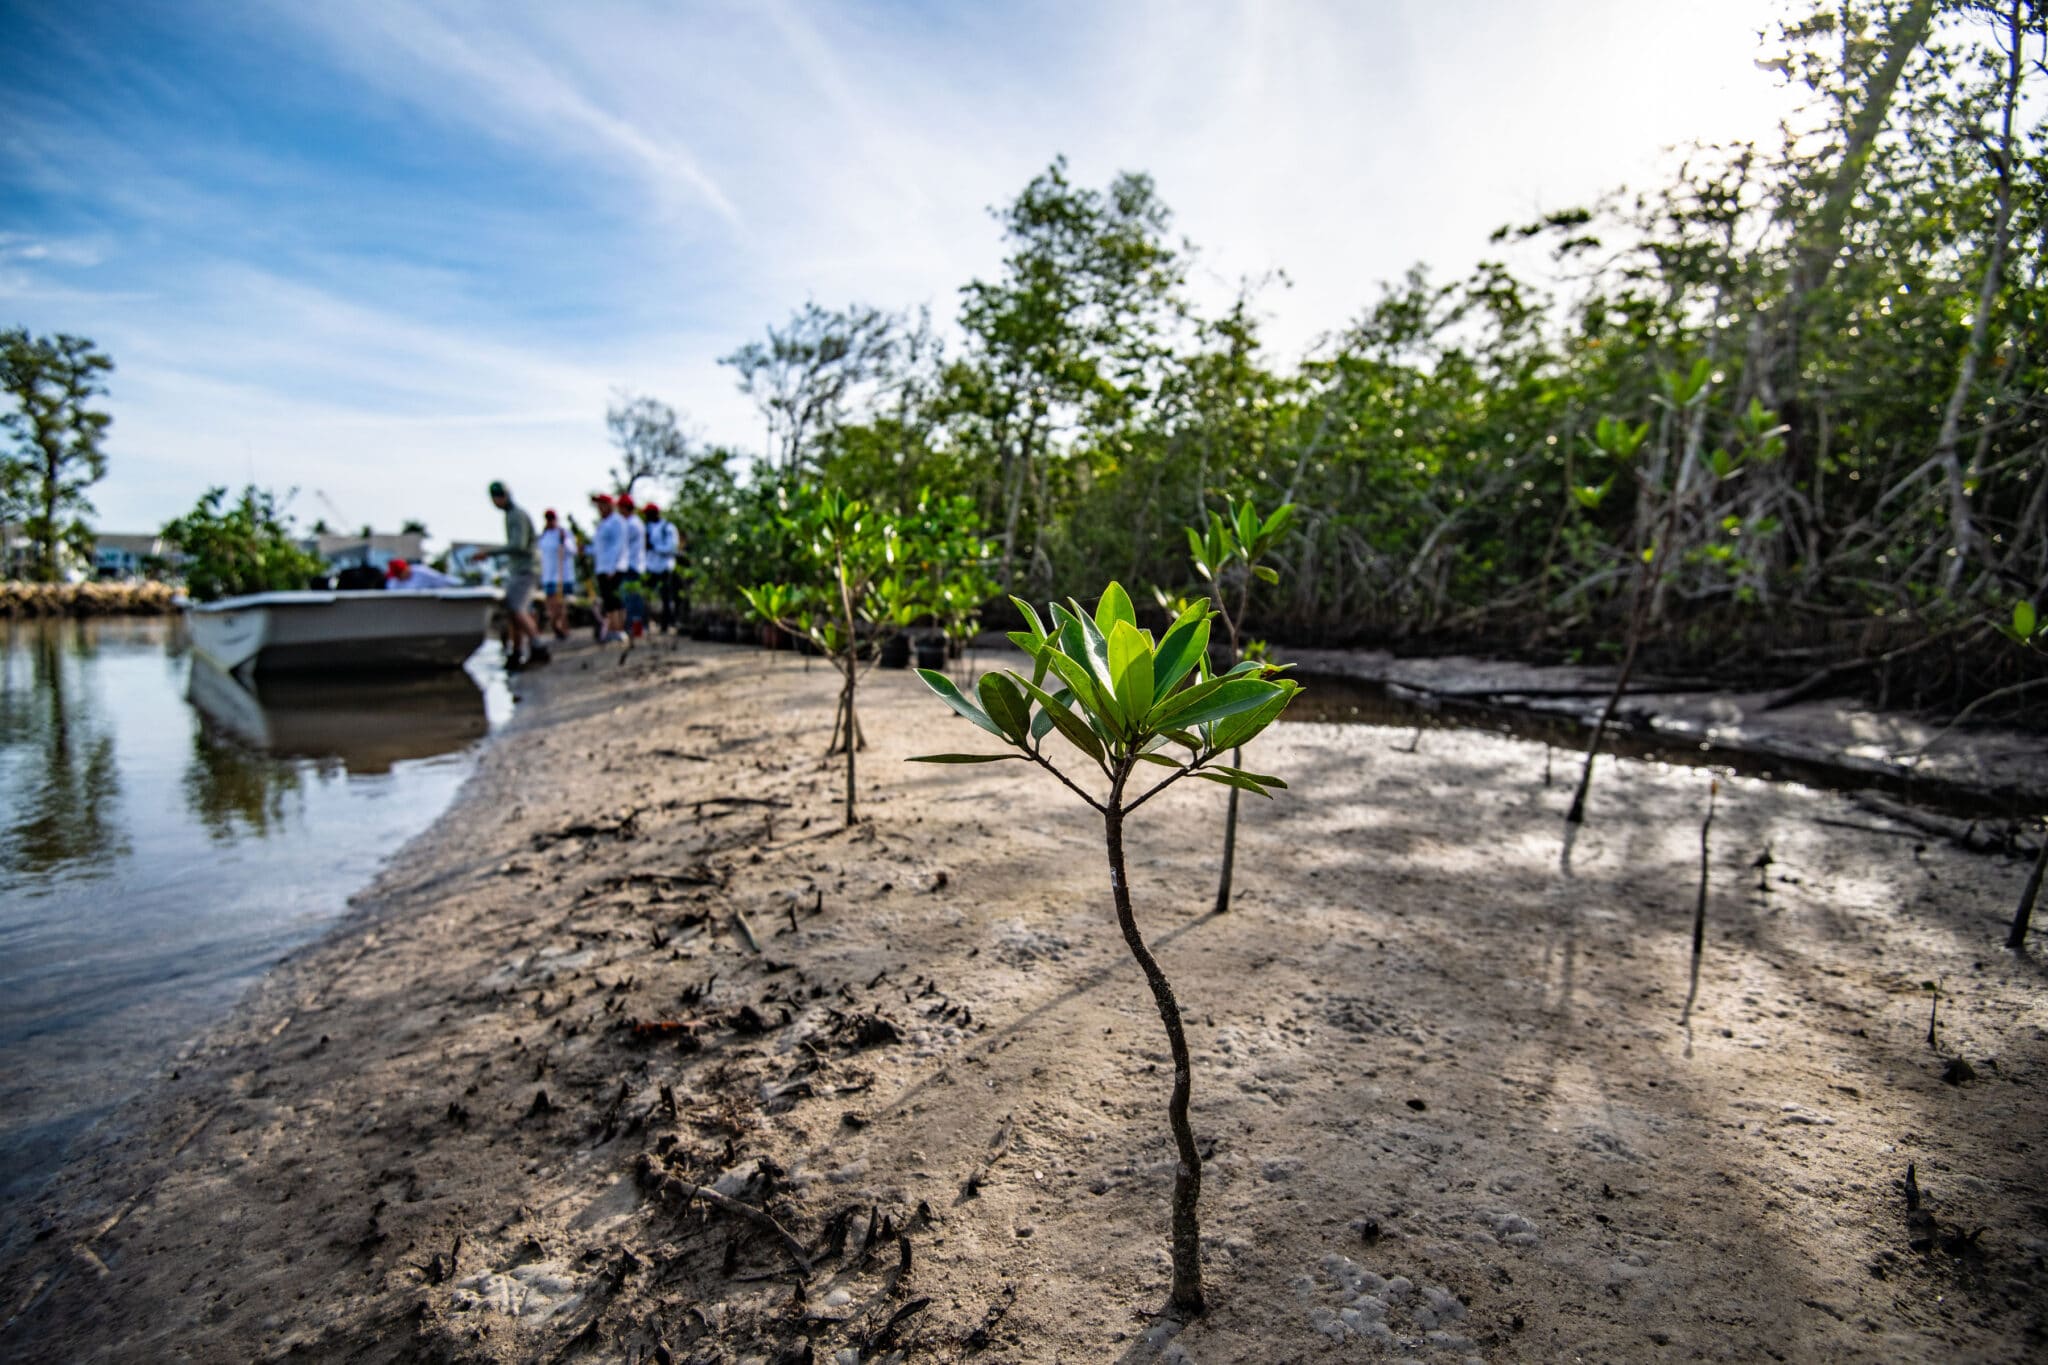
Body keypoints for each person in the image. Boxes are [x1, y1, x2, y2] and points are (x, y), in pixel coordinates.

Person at [487, 480, 549, 670]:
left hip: (526, 570)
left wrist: (489, 552)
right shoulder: (511, 515)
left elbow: (519, 545)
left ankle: (538, 646)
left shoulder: (516, 515)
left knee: (517, 609)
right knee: (513, 611)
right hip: (520, 569)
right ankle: (516, 651)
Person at [590, 491, 629, 642]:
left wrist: (612, 568)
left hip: (613, 568)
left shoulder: (617, 522)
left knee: (614, 599)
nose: (599, 508)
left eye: (601, 504)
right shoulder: (602, 524)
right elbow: (598, 547)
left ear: (609, 505)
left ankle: (617, 629)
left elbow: (619, 546)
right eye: (598, 505)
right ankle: (613, 629)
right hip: (602, 567)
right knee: (608, 599)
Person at [536, 508, 576, 639]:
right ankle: (557, 627)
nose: (550, 521)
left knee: (560, 604)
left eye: (552, 518)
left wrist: (564, 541)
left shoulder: (564, 533)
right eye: (548, 519)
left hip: (562, 576)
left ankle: (561, 627)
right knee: (551, 604)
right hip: (548, 575)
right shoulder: (543, 536)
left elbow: (572, 551)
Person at [643, 502, 680, 632]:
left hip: (665, 567)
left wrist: (655, 547)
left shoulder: (668, 527)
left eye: (649, 514)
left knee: (666, 597)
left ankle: (667, 624)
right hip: (650, 567)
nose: (647, 517)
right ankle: (646, 623)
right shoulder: (647, 528)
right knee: (645, 595)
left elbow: (672, 548)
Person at [385, 557, 457, 591]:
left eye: (398, 573)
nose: (397, 577)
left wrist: (459, 584)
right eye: (395, 575)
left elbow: (443, 579)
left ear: (405, 569)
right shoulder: (394, 581)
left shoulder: (422, 572)